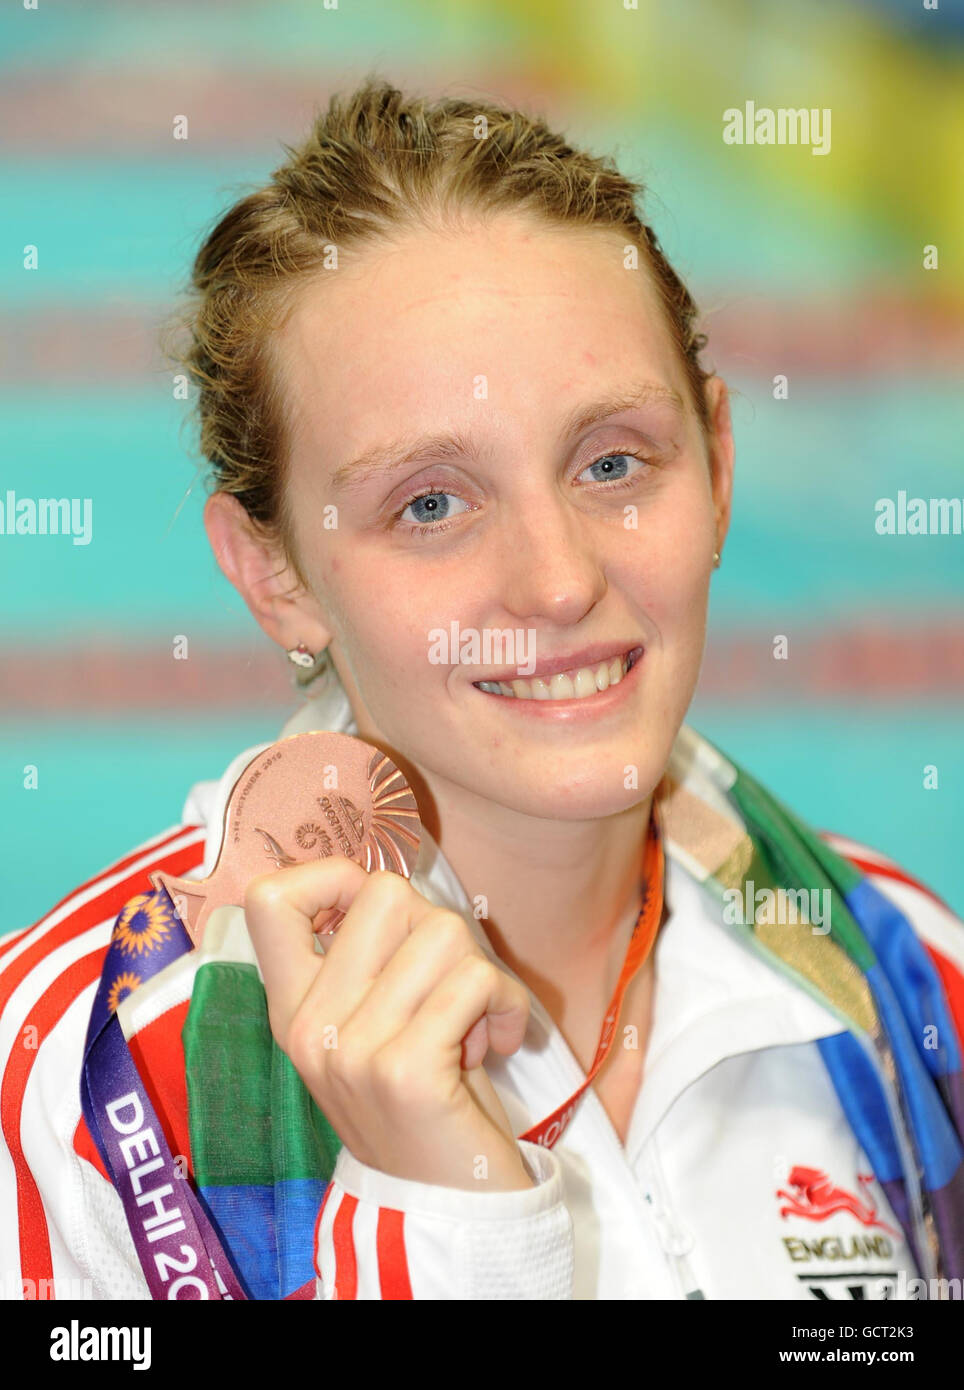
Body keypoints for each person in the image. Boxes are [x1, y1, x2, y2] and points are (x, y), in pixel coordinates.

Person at [2, 74, 962, 1303]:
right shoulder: (76, 1093)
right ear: (275, 572)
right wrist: (438, 1226)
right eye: (432, 504)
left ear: (717, 465)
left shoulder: (909, 983)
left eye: (613, 462)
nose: (558, 584)